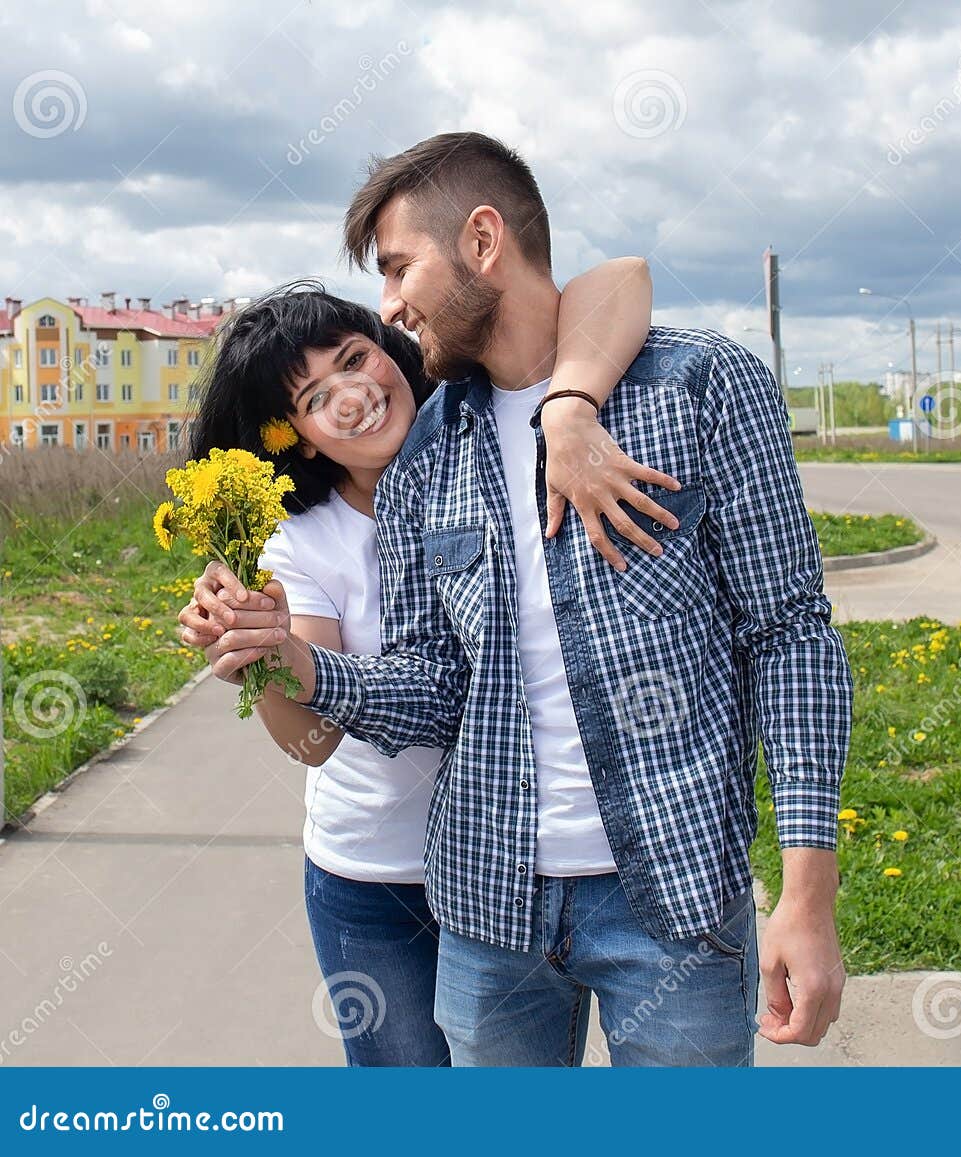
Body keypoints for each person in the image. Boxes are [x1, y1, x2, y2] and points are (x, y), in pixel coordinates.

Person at [190, 131, 853, 1067]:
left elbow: (788, 636)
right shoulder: (427, 454)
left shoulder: (697, 386)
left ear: (483, 241)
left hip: (672, 899)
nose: (387, 309)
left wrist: (806, 893)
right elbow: (437, 687)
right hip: (488, 915)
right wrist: (298, 664)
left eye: (397, 268)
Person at [179, 258, 665, 1065]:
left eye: (354, 358)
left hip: (524, 866)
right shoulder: (301, 541)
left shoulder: (487, 427)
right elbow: (316, 744)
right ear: (293, 434)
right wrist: (263, 656)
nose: (351, 394)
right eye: (311, 398)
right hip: (379, 881)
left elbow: (621, 279)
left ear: (388, 345)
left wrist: (572, 405)